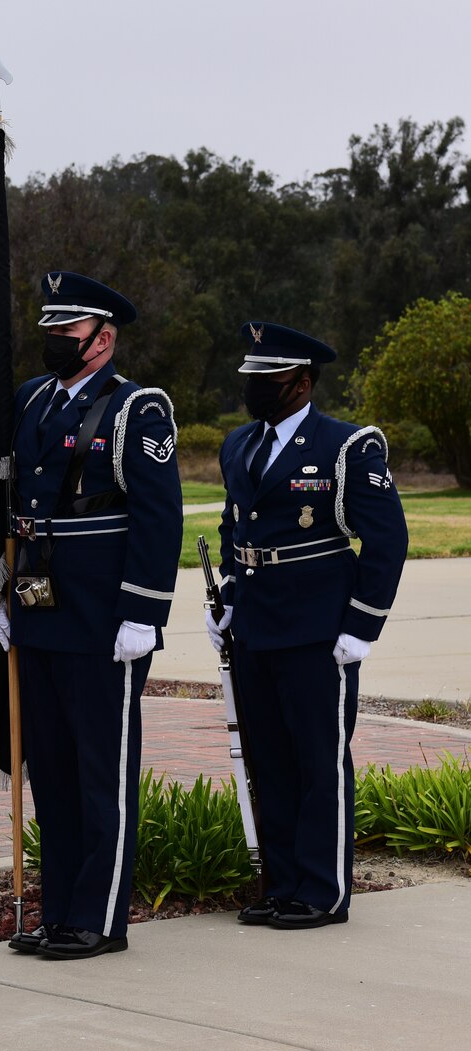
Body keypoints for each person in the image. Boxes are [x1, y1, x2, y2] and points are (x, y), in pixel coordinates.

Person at [0, 272, 183, 960]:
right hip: (39, 610)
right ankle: (59, 910)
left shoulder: (137, 410)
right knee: (56, 772)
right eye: (51, 330)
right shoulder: (32, 400)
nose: (55, 341)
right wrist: (2, 593)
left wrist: (143, 612)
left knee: (101, 772)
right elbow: (14, 501)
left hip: (103, 618)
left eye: (69, 332)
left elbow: (159, 518)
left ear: (104, 337)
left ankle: (98, 918)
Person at [206, 321, 407, 929]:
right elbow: (234, 527)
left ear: (301, 381)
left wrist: (363, 624)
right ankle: (284, 884)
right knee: (270, 759)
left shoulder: (346, 447)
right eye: (250, 377)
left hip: (320, 627)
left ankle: (322, 891)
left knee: (319, 760)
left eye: (266, 378)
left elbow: (387, 539)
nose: (254, 387)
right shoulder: (240, 444)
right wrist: (231, 600)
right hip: (258, 625)